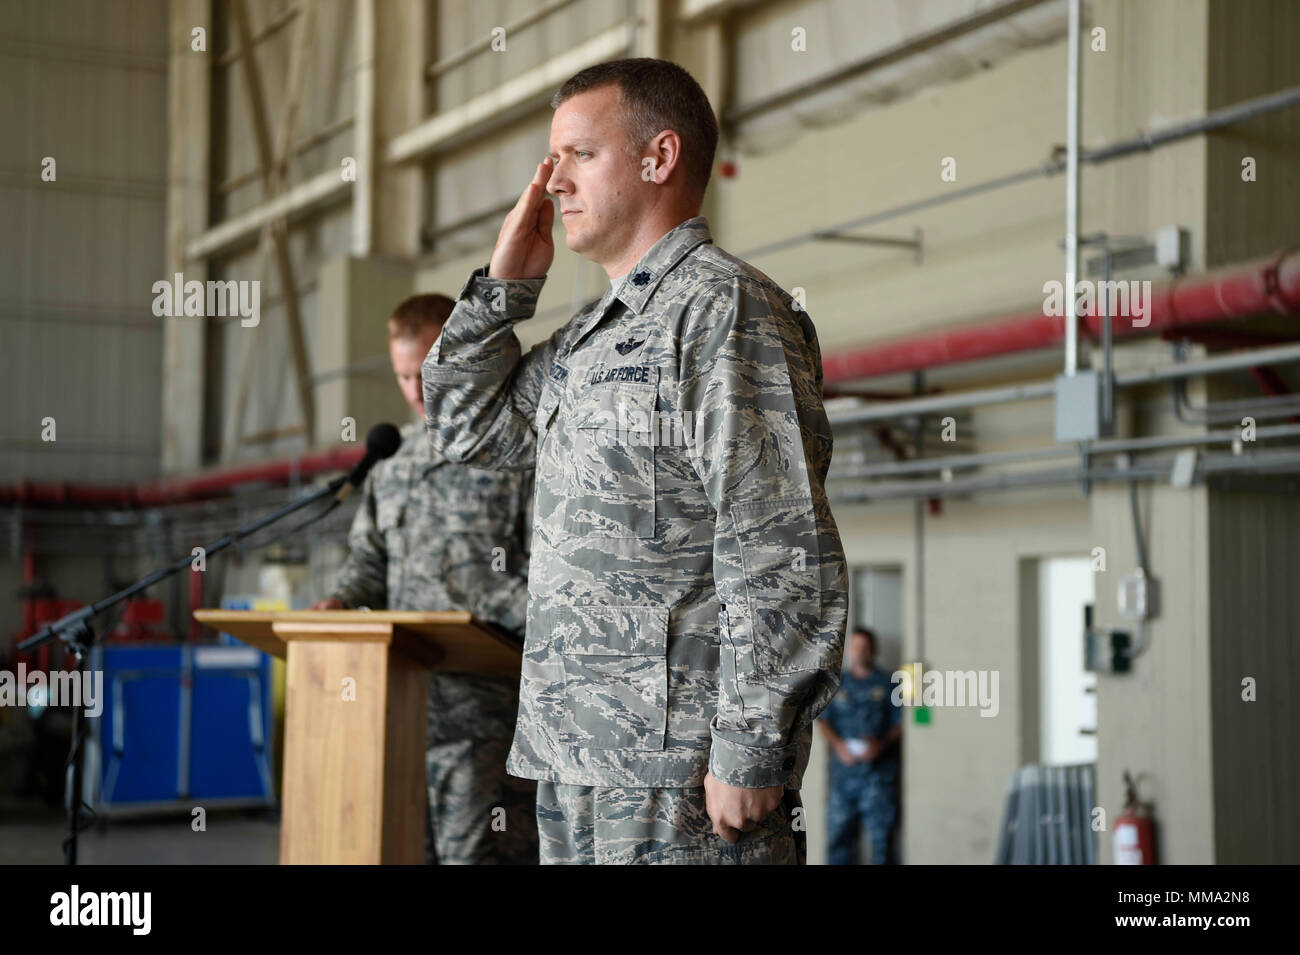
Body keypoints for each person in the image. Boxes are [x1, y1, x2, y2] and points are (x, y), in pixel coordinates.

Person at [422, 58, 847, 865]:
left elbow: (779, 538)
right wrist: (502, 289)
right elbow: (462, 427)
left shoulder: (725, 307)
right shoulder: (590, 337)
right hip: (573, 755)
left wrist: (753, 744)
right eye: (551, 162)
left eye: (579, 155)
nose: (553, 184)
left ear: (659, 158)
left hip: (678, 770)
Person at [312, 293, 538, 865]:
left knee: (479, 857)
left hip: (489, 716)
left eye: (425, 370)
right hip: (404, 709)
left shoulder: (518, 453)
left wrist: (493, 600)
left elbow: (552, 580)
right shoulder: (391, 466)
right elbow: (370, 562)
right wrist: (340, 600)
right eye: (402, 376)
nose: (415, 390)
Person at [816, 627, 902, 865]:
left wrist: (882, 744)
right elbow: (823, 721)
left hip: (878, 776)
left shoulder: (889, 683)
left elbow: (900, 722)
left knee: (882, 841)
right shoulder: (837, 683)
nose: (860, 652)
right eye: (855, 647)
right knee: (839, 838)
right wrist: (839, 746)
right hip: (844, 776)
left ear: (873, 650)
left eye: (865, 647)